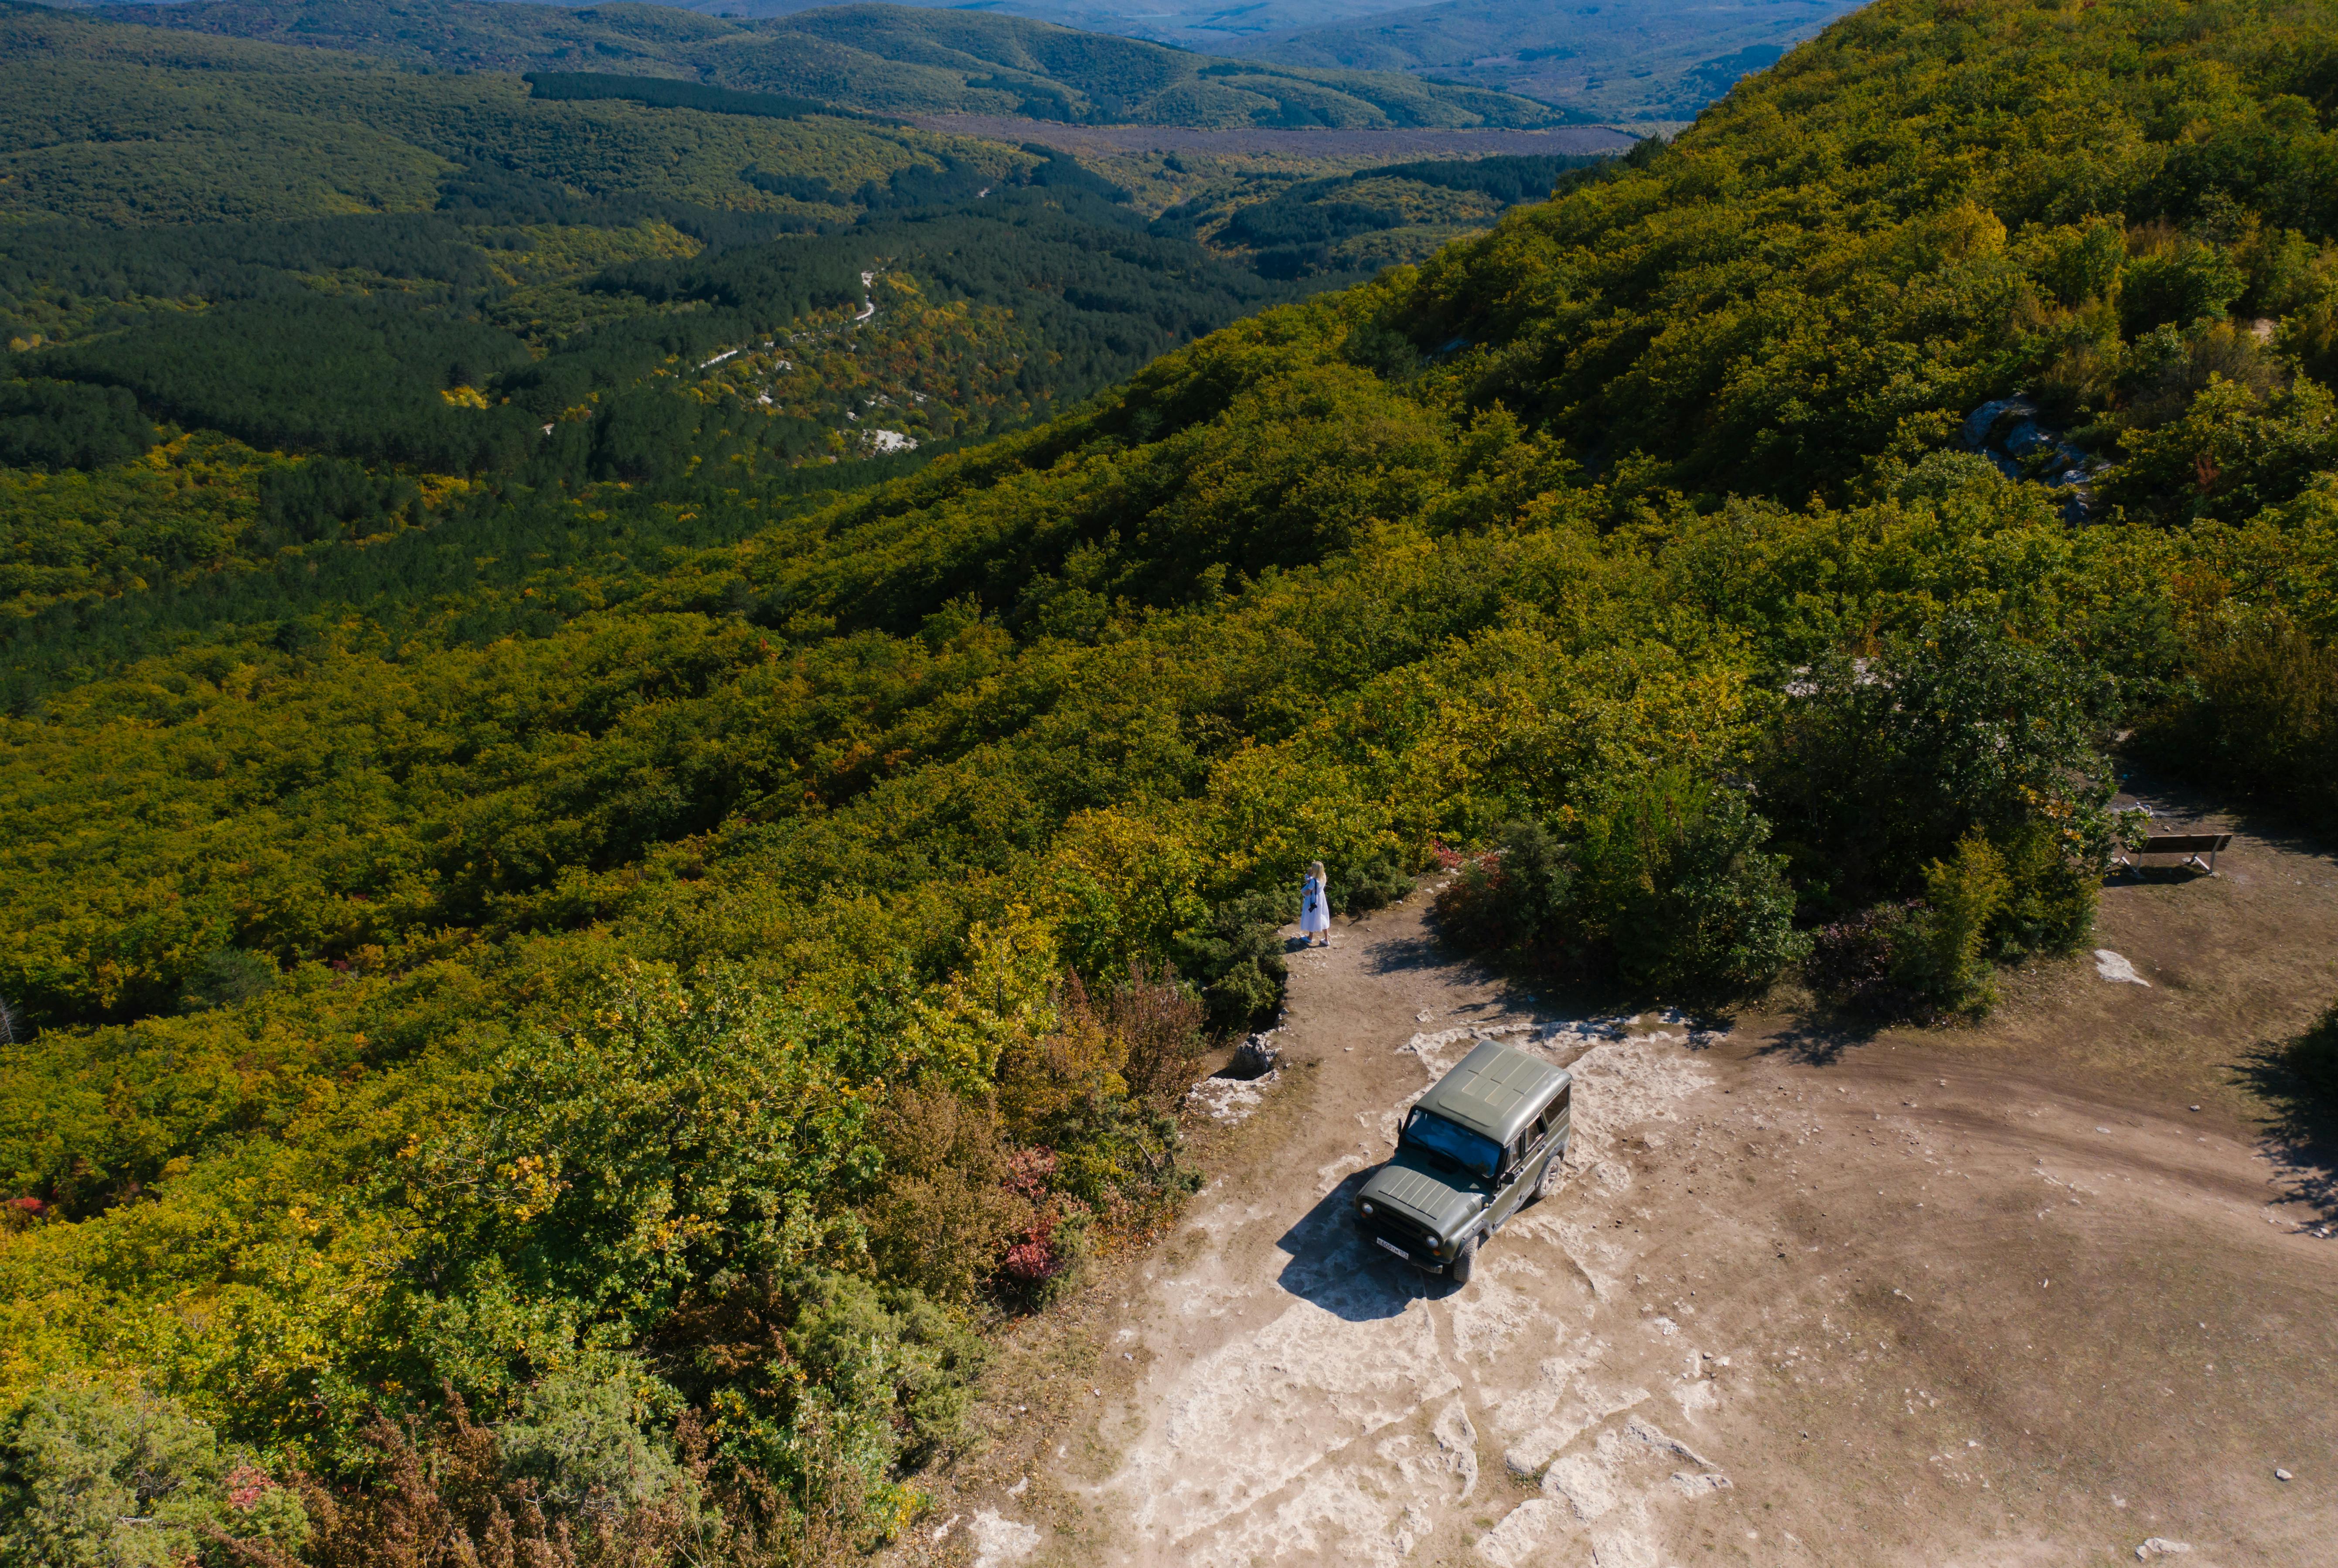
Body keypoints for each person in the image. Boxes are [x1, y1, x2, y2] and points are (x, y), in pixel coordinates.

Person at [1299, 861, 1330, 947]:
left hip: (1313, 899)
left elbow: (1308, 893)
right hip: (1321, 898)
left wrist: (1303, 890)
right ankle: (1327, 939)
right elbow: (1318, 886)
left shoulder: (1313, 881)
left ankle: (1310, 938)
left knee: (1312, 917)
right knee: (1322, 916)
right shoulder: (1324, 876)